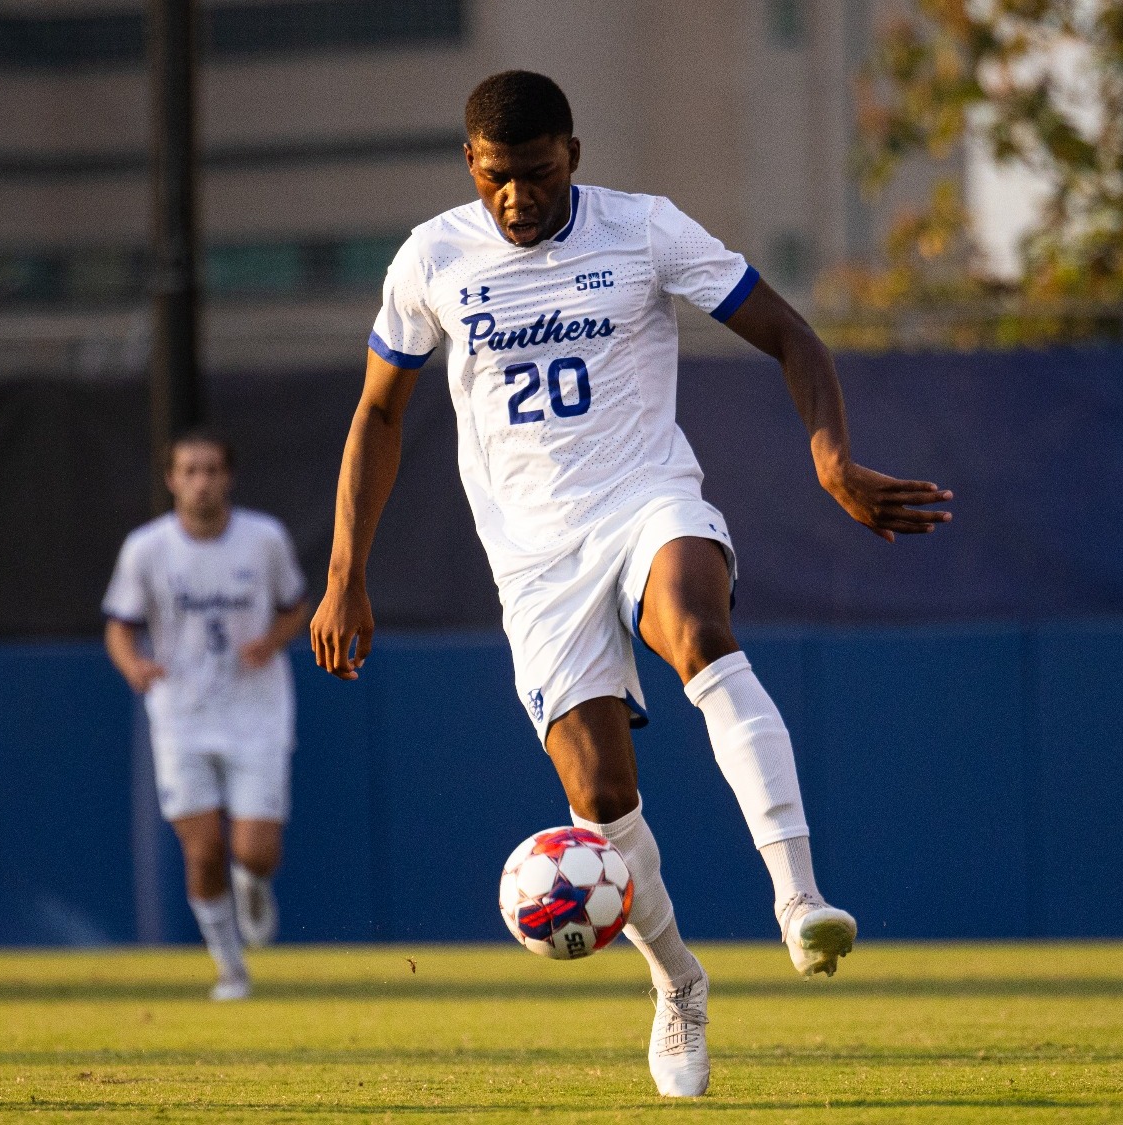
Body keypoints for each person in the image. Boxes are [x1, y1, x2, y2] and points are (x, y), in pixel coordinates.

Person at [310, 71, 952, 1096]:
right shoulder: (430, 257)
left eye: (532, 173)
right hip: (532, 559)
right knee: (600, 796)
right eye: (492, 178)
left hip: (645, 498)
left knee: (699, 632)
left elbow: (791, 333)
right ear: (469, 168)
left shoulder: (645, 232)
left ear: (571, 152)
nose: (513, 197)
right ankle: (678, 984)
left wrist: (829, 458)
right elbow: (378, 415)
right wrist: (345, 575)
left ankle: (799, 903)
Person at [104, 431, 310, 1001]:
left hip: (256, 709)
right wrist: (133, 666)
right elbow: (119, 624)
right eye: (190, 470)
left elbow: (296, 606)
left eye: (212, 469)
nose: (201, 481)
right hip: (182, 713)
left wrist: (272, 640)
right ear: (172, 480)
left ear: (228, 477)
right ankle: (230, 969)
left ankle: (253, 883)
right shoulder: (147, 549)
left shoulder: (263, 539)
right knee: (203, 850)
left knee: (254, 850)